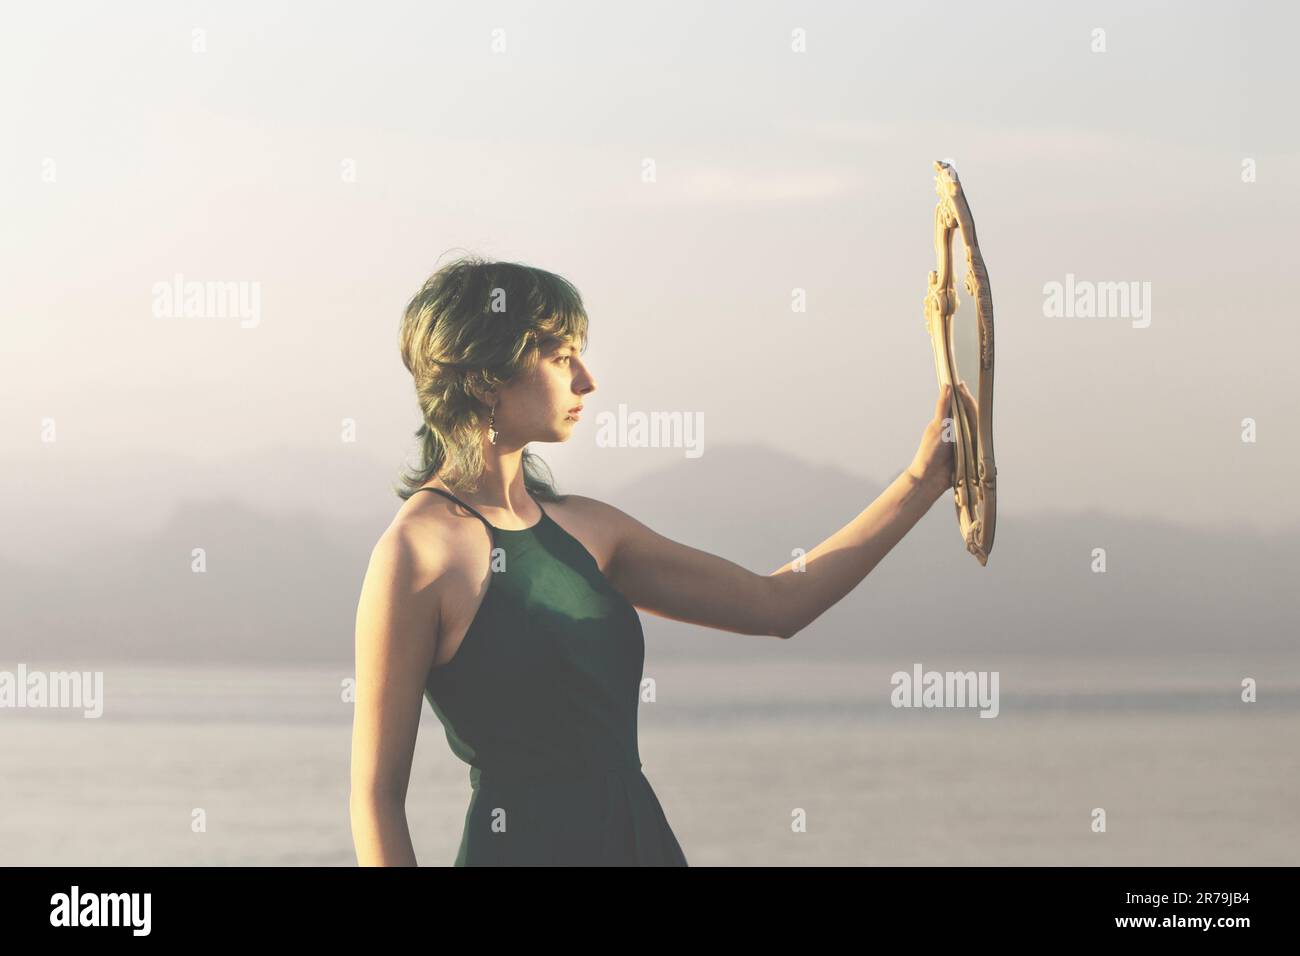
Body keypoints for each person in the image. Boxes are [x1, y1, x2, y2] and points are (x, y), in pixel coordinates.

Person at [349, 254, 957, 866]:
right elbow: (375, 798)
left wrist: (921, 481)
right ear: (486, 377)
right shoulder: (415, 555)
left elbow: (779, 604)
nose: (586, 380)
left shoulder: (591, 530)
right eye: (561, 358)